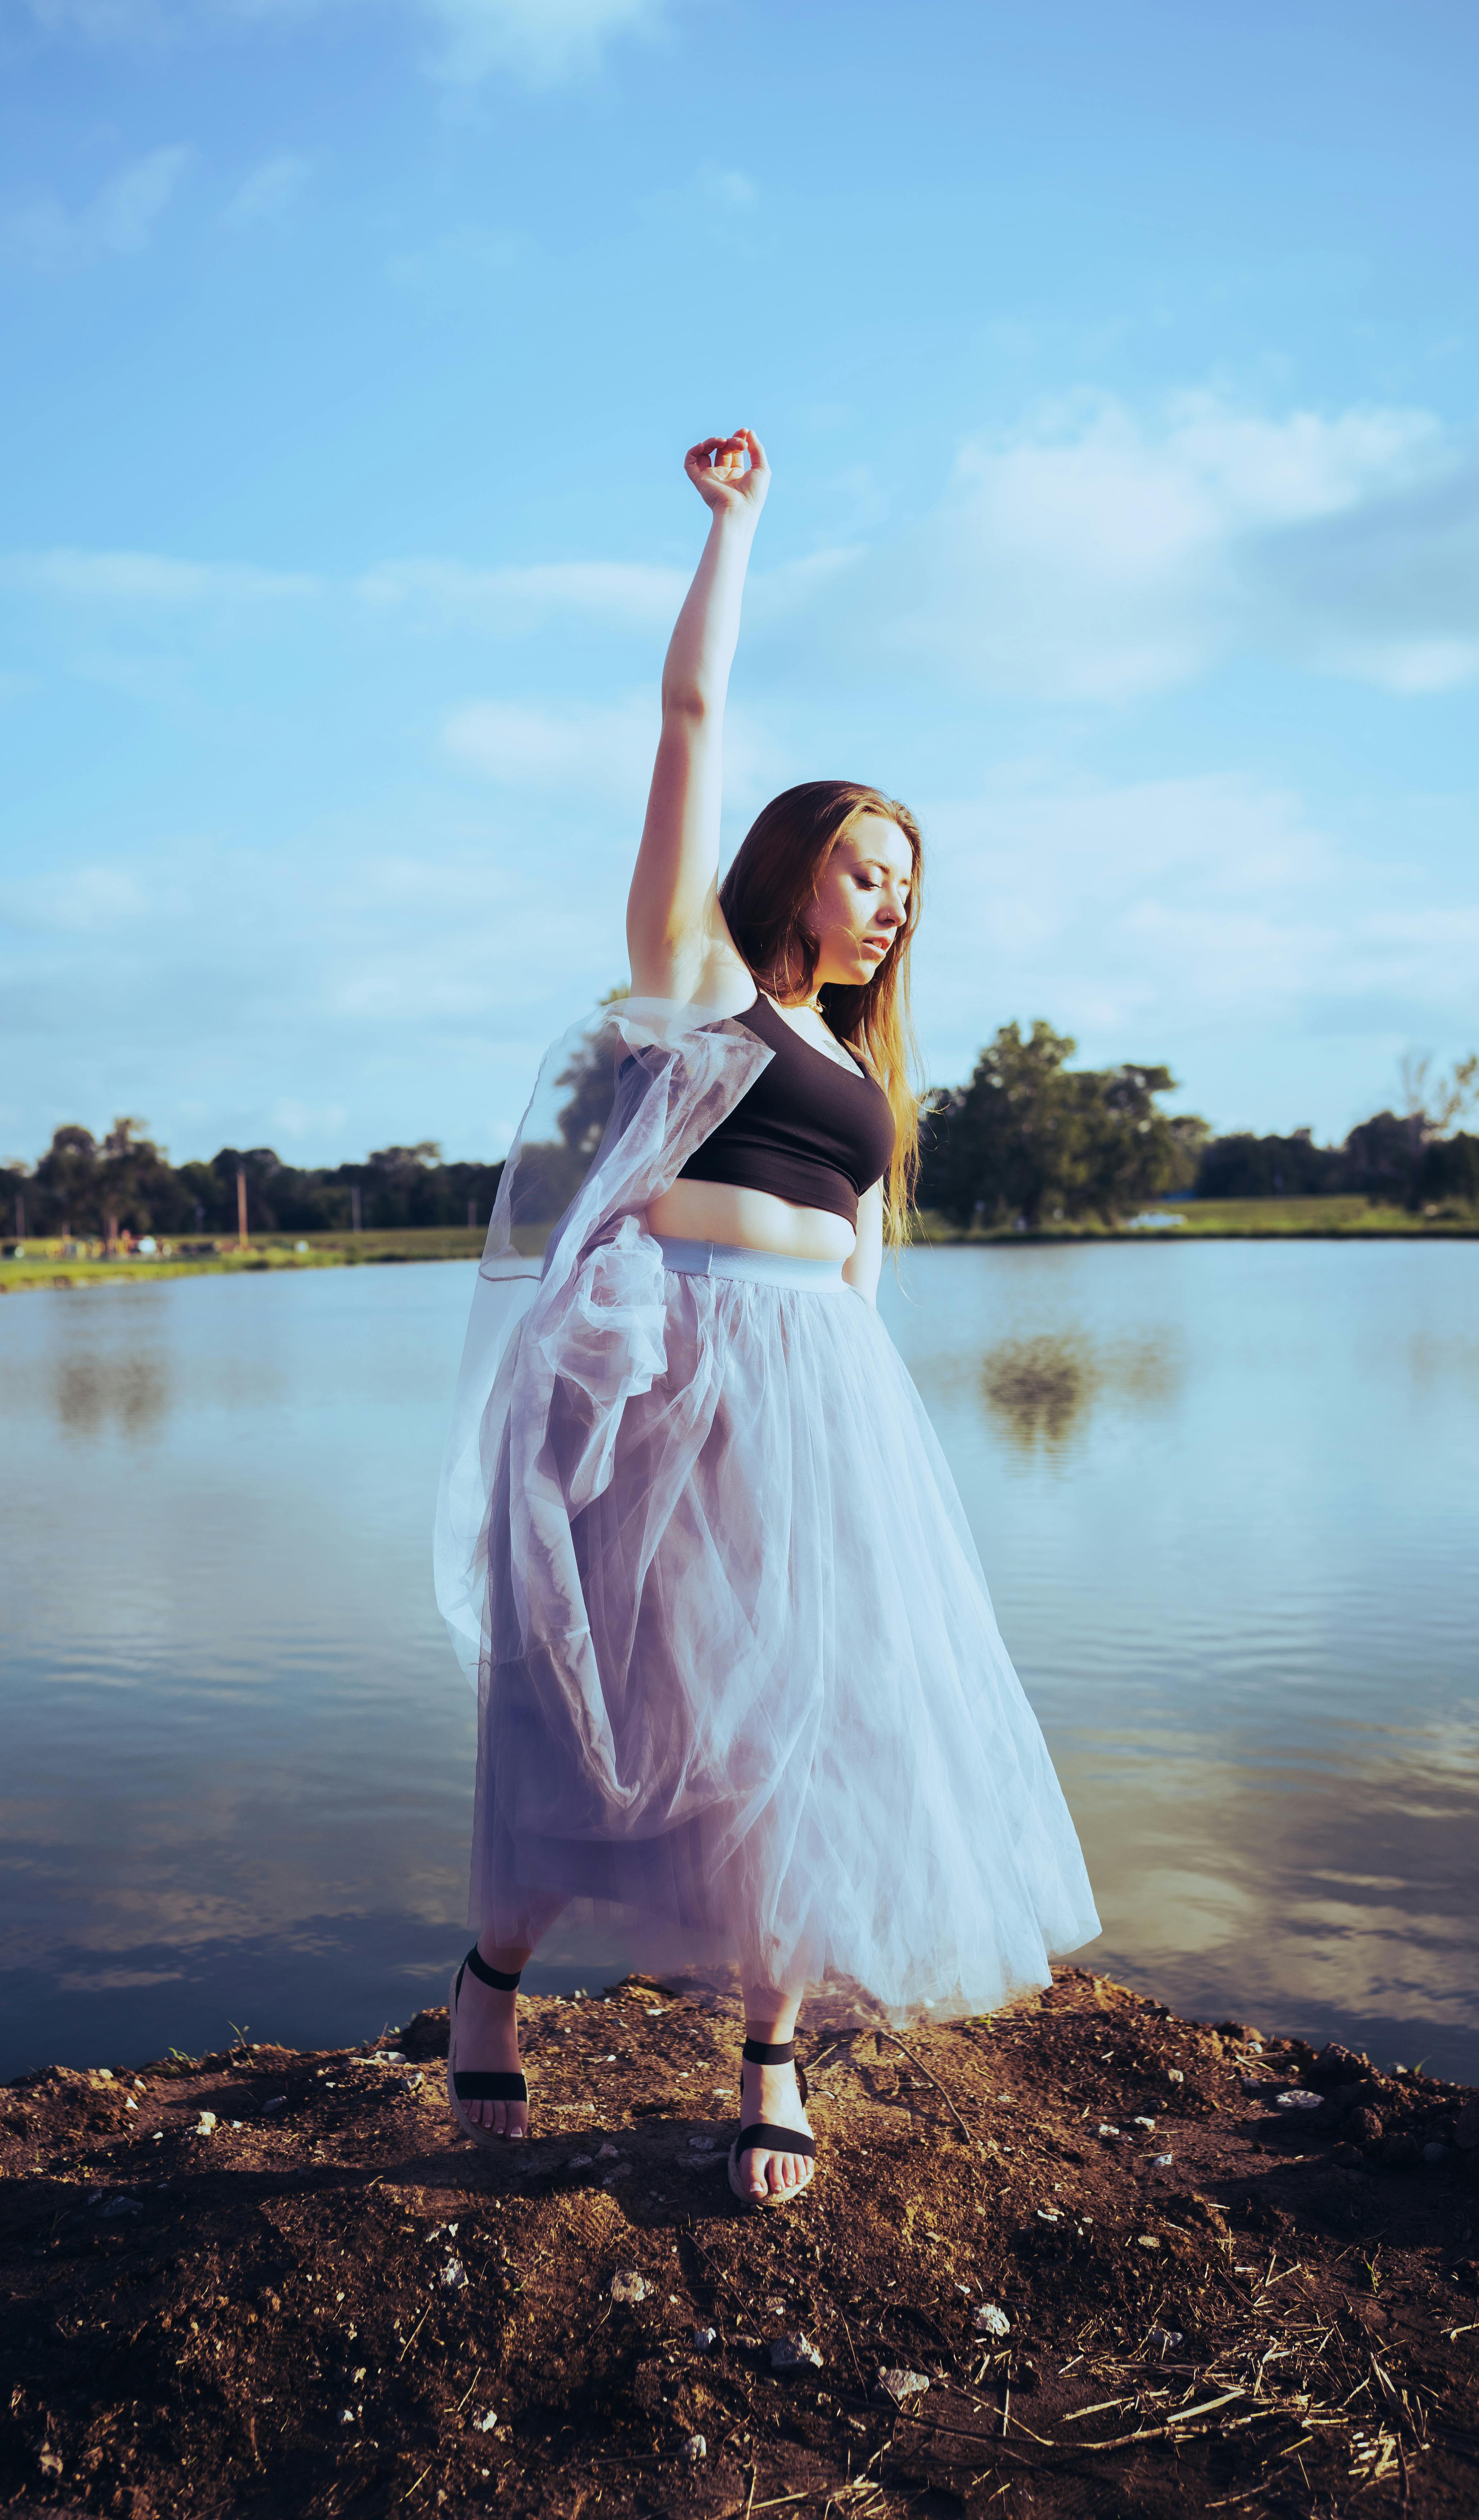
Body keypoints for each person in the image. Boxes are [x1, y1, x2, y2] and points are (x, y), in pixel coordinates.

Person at [435, 430, 1098, 2205]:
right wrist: (734, 532)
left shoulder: (870, 1067)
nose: (892, 907)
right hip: (672, 1369)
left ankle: (771, 2052)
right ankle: (490, 1991)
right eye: (871, 871)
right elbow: (686, 724)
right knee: (613, 1707)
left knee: (816, 1710)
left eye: (910, 890)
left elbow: (867, 1239)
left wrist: (854, 1362)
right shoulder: (704, 994)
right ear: (799, 864)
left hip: (824, 1396)